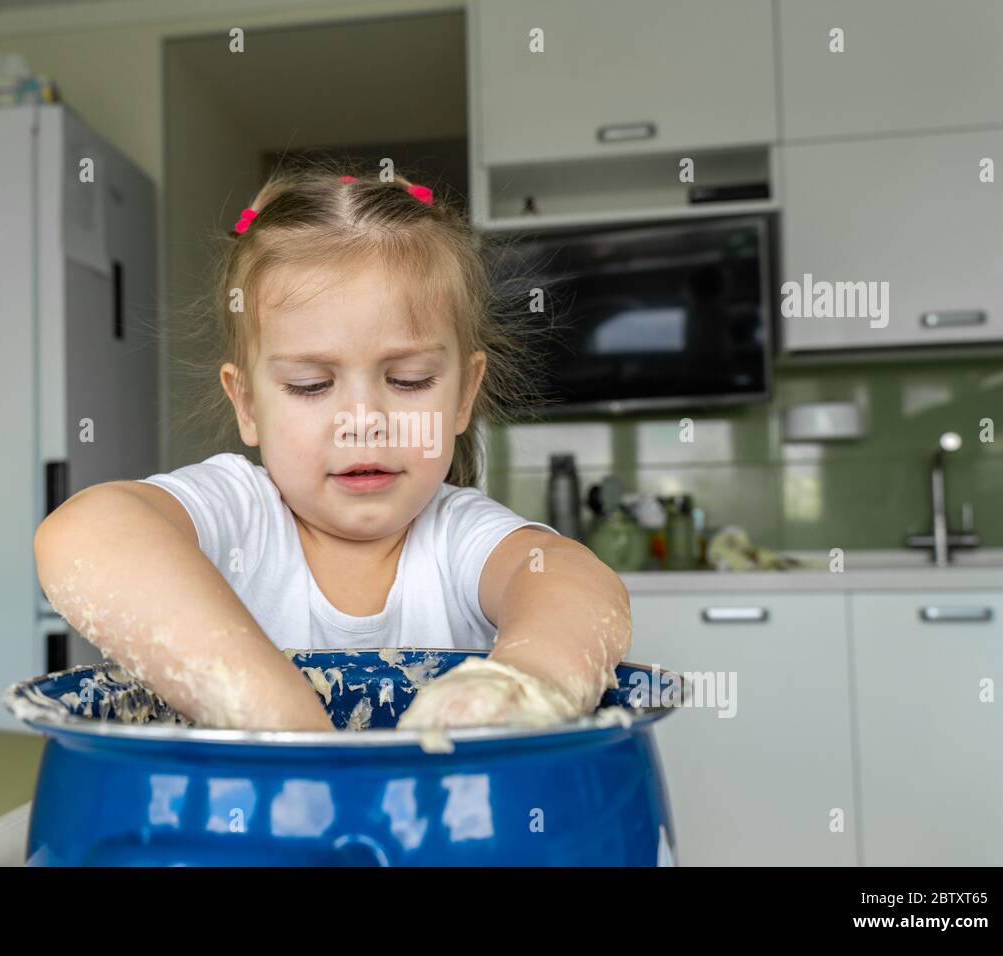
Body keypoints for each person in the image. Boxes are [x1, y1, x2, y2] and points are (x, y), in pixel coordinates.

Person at [33, 162, 632, 732]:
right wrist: (283, 721)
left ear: (462, 396)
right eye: (311, 386)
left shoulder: (457, 538)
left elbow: (573, 584)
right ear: (246, 404)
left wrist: (524, 687)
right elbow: (86, 532)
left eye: (409, 380)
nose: (363, 422)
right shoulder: (241, 514)